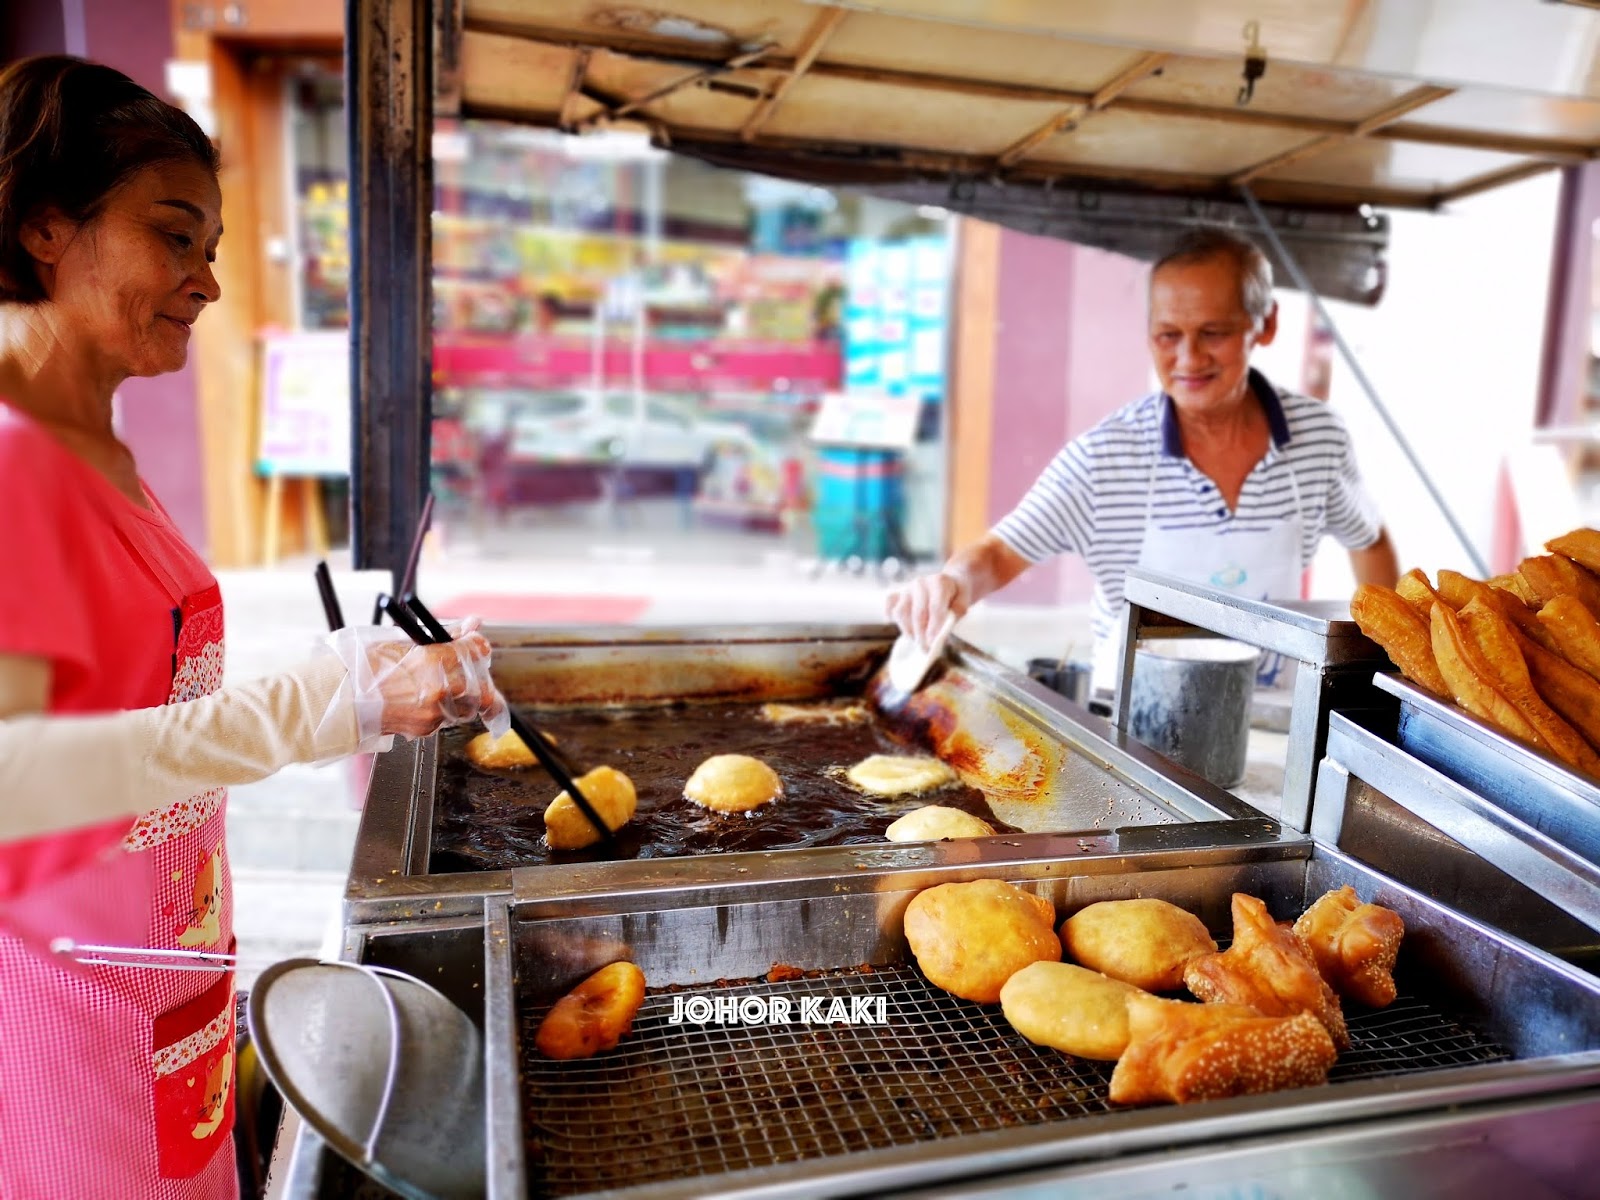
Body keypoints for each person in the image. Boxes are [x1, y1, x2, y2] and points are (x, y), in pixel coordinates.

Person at [0, 57, 501, 1198]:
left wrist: (344, 675)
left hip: (160, 979)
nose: (208, 283)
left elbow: (145, 701)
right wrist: (329, 702)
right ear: (42, 227)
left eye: (214, 248)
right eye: (175, 237)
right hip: (50, 1018)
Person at [889, 226, 1399, 698]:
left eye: (1213, 333)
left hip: (1269, 722)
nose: (1188, 359)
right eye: (1168, 335)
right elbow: (1000, 553)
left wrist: (1381, 661)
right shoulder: (1106, 458)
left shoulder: (1318, 439)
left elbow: (1369, 538)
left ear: (1263, 326)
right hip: (1134, 733)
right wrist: (952, 584)